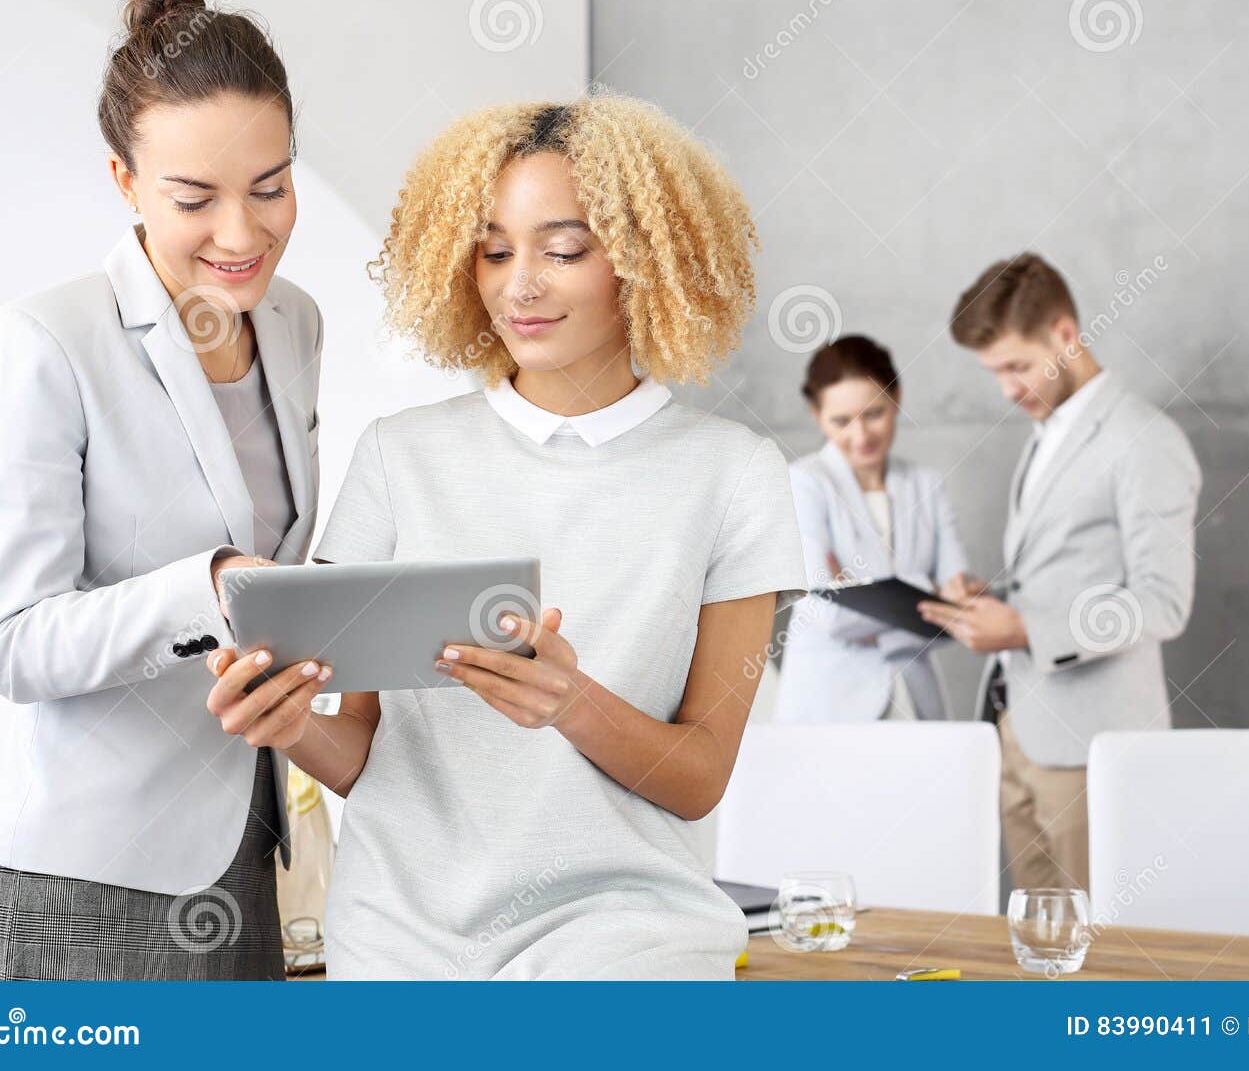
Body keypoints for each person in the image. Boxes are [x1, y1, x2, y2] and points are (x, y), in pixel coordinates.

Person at [204, 95, 807, 979]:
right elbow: (362, 752)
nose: (519, 283)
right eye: (493, 250)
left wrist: (572, 704)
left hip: (622, 947)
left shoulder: (733, 474)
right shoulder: (399, 457)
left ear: (645, 260)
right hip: (399, 947)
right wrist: (289, 726)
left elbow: (699, 775)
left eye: (563, 250)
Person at [0, 0, 322, 980]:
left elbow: (279, 560)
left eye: (271, 185)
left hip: (247, 859)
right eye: (194, 198)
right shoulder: (43, 341)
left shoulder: (295, 324)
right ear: (124, 182)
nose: (243, 234)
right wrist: (206, 588)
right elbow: (9, 641)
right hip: (87, 881)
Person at [919, 252, 1201, 894]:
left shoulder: (1143, 439)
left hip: (1092, 746)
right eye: (995, 373)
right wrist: (993, 600)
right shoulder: (1048, 429)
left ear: (1066, 336)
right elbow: (1065, 568)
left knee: (1103, 952)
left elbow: (1162, 601)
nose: (1008, 390)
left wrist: (1022, 629)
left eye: (1017, 366)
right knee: (1036, 945)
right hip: (1018, 727)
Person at [776, 335, 968, 721]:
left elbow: (959, 606)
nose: (861, 436)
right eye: (841, 421)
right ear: (816, 415)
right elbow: (826, 616)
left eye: (874, 413)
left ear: (896, 398)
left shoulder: (926, 484)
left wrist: (856, 591)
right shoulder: (804, 482)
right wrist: (928, 592)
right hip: (828, 704)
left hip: (915, 699)